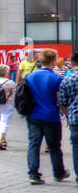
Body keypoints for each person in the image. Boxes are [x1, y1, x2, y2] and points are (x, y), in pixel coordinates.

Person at [23, 48, 67, 186]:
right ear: (53, 60)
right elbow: (60, 101)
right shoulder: (56, 79)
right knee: (54, 146)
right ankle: (58, 173)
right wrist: (65, 114)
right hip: (51, 116)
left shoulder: (30, 77)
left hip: (33, 115)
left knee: (34, 144)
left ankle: (33, 174)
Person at [58, 60, 78, 171]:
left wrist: (67, 115)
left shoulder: (67, 79)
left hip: (75, 118)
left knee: (76, 148)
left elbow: (62, 101)